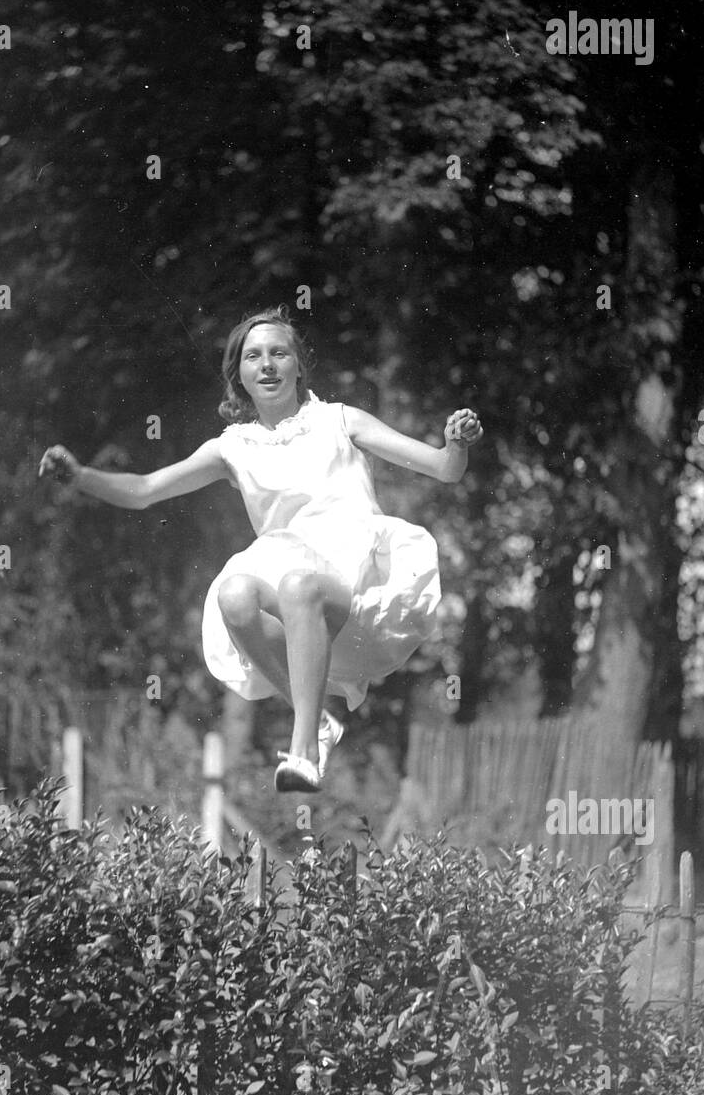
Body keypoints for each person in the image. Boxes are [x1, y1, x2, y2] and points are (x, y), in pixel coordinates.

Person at [39, 307, 482, 794]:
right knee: (234, 596)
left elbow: (444, 468)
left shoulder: (340, 420)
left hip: (358, 592)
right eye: (254, 356)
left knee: (298, 585)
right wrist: (79, 476)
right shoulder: (233, 448)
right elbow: (144, 489)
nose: (267, 364)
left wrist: (455, 444)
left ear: (297, 366)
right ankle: (314, 722)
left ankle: (305, 753)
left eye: (279, 353)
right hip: (293, 615)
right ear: (240, 375)